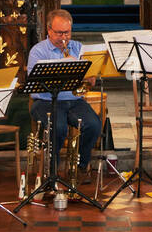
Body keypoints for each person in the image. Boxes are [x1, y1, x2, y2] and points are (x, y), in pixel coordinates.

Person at [26, 10, 101, 182]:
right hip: (45, 101)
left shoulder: (78, 47)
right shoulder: (38, 51)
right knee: (58, 128)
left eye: (67, 32)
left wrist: (89, 76)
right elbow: (34, 88)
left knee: (94, 124)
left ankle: (80, 166)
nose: (64, 37)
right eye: (59, 33)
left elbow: (87, 78)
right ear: (49, 30)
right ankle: (52, 173)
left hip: (73, 100)